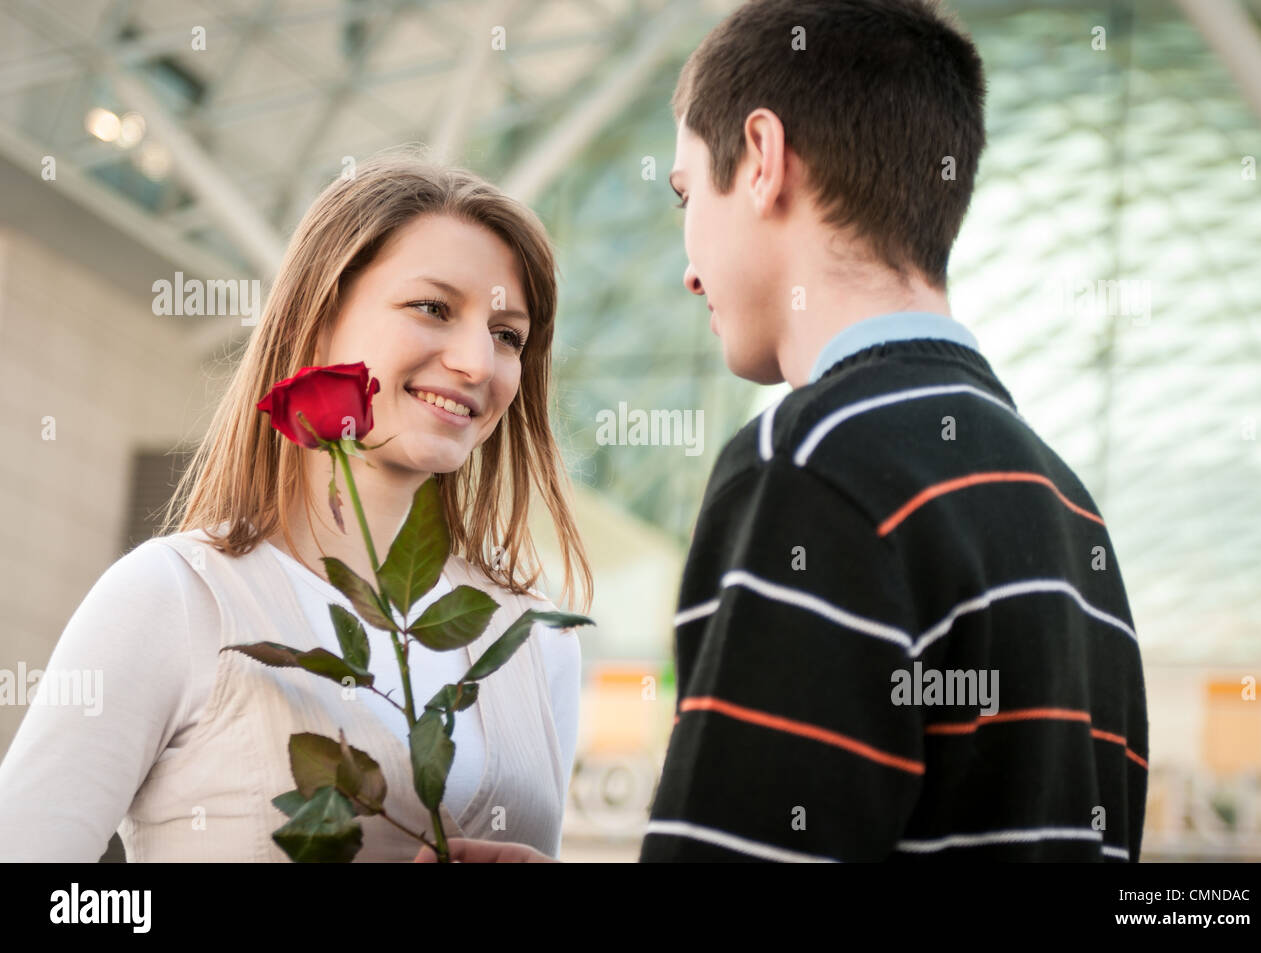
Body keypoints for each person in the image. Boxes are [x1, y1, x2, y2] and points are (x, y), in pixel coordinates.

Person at [428, 0, 1147, 864]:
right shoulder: (1070, 510)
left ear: (763, 160)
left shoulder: (810, 466)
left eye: (689, 193)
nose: (690, 271)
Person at [0, 152, 593, 862]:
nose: (476, 361)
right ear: (317, 321)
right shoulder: (174, 598)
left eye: (508, 336)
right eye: (433, 307)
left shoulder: (538, 645)